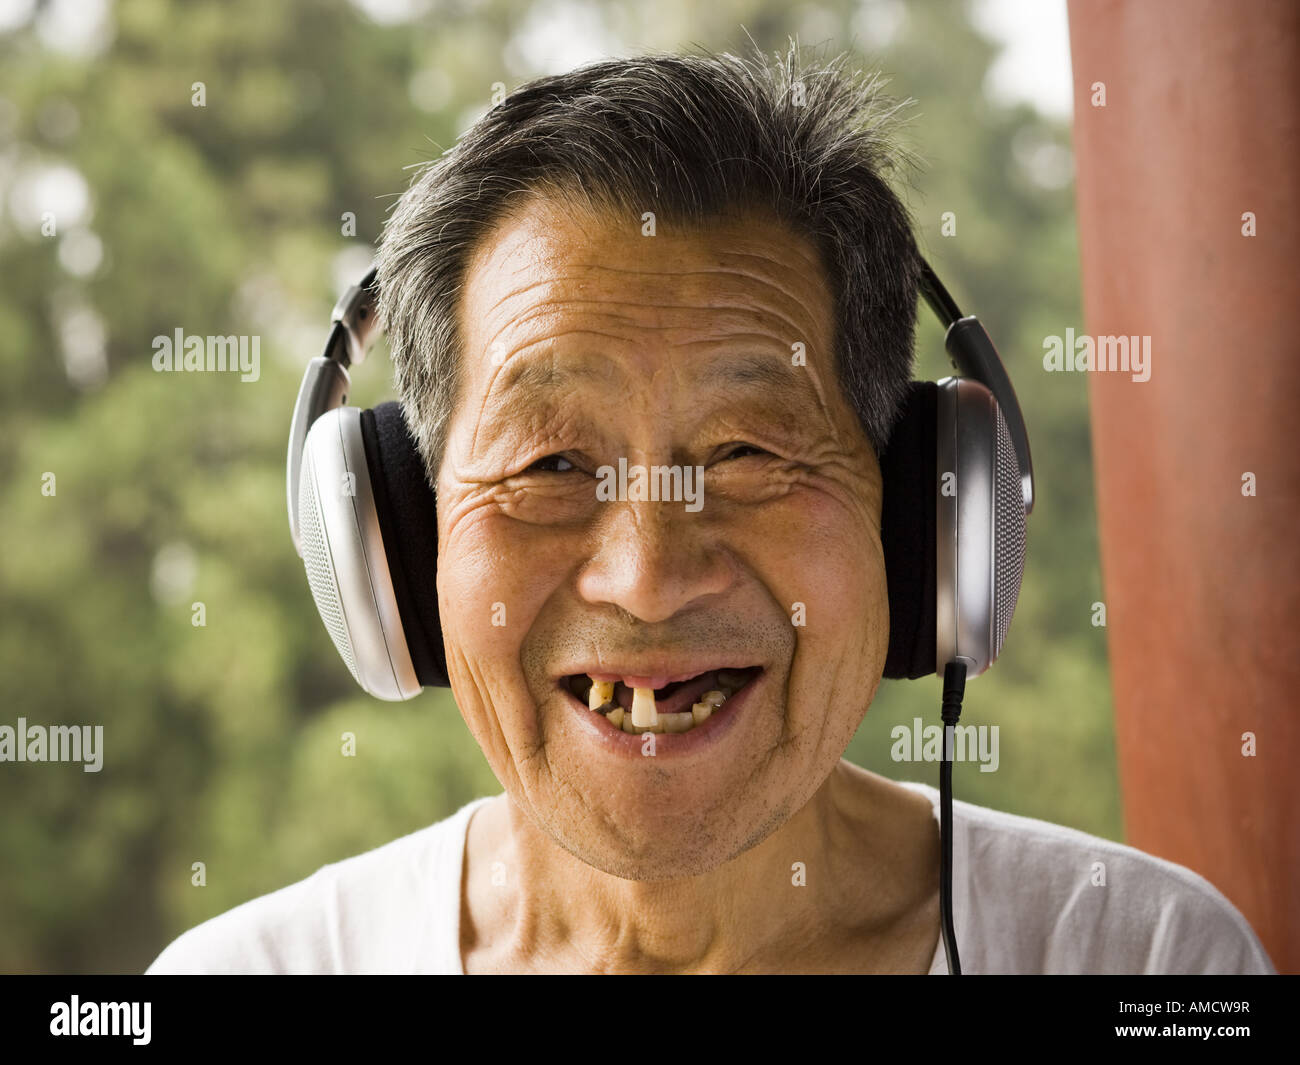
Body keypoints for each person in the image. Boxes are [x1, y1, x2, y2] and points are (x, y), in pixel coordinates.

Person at [147, 48, 1275, 975]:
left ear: (922, 519)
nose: (646, 577)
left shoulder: (1147, 961)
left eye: (746, 452)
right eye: (551, 463)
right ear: (402, 543)